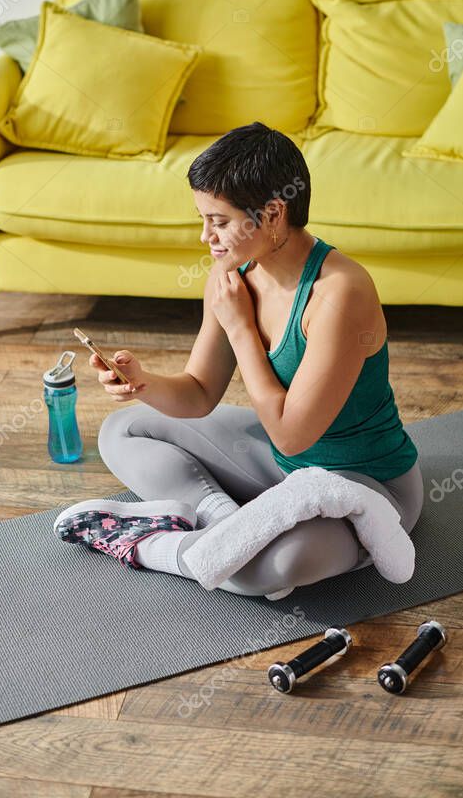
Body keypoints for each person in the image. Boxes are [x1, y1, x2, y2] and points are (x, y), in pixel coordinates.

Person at [54, 121, 424, 600]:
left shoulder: (340, 294)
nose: (206, 237)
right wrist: (143, 382)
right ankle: (225, 521)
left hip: (365, 486)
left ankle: (149, 544)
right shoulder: (233, 273)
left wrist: (242, 329)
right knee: (122, 429)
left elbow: (293, 436)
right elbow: (200, 392)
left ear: (272, 214)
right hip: (280, 469)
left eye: (219, 221)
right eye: (202, 218)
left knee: (272, 567)